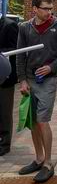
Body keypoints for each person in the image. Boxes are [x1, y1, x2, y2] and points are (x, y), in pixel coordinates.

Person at [16, 0, 57, 182]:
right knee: (32, 121)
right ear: (35, 9)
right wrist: (22, 80)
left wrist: (52, 67)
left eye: (50, 8)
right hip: (30, 80)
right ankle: (39, 158)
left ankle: (48, 163)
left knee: (42, 120)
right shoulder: (24, 28)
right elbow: (20, 56)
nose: (49, 12)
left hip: (47, 81)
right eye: (45, 8)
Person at [0, 14, 19, 156]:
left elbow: (14, 49)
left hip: (5, 76)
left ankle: (4, 144)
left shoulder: (10, 25)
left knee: (4, 111)